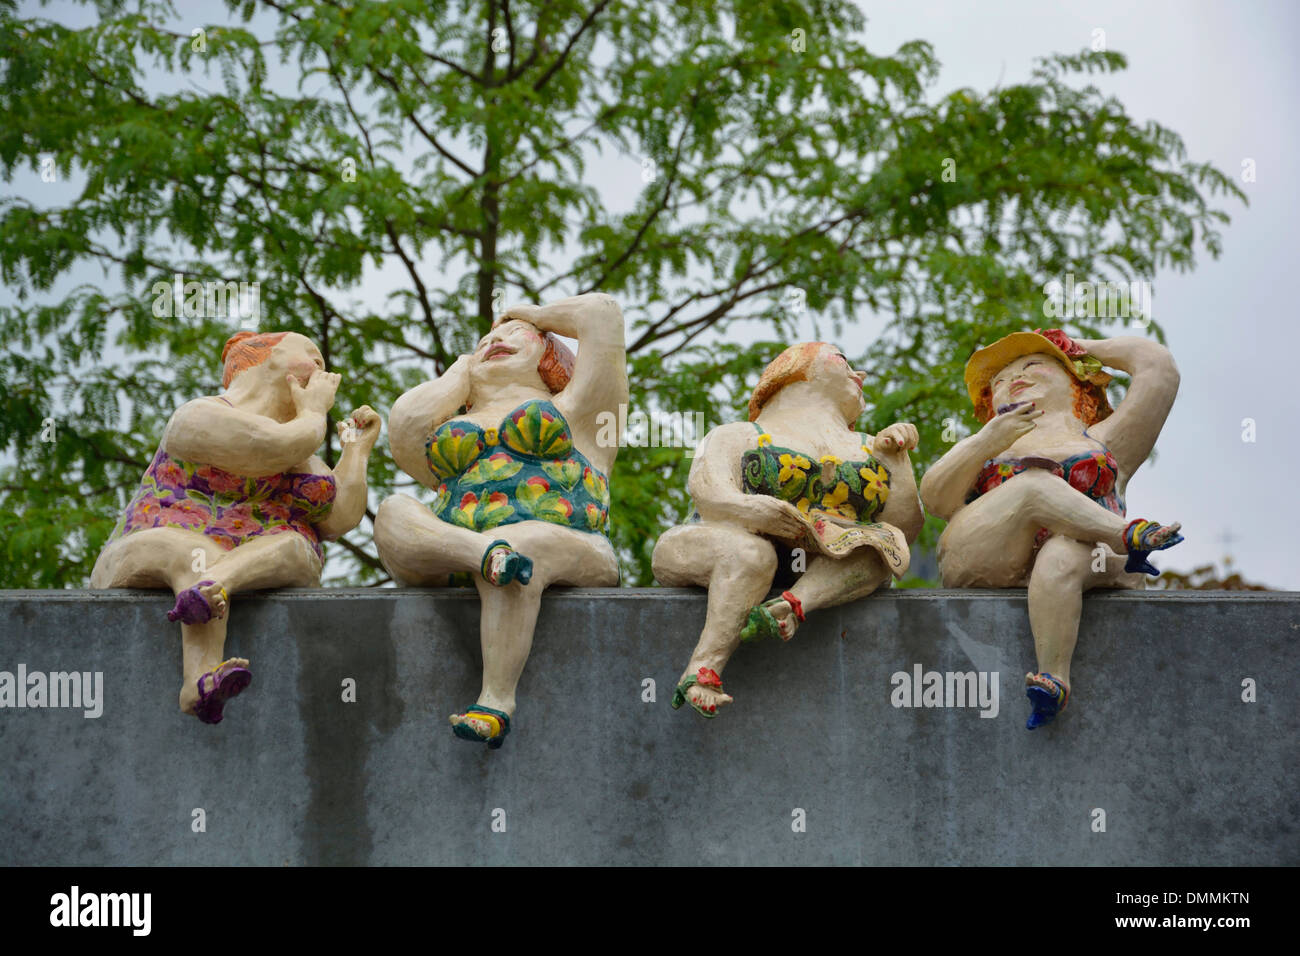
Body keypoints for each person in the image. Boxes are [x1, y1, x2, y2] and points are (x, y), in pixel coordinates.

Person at [377, 293, 626, 749]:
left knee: (522, 540)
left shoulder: (581, 412)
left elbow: (602, 315)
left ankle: (495, 701)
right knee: (395, 511)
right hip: (459, 553)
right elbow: (406, 427)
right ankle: (487, 554)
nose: (496, 339)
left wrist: (528, 314)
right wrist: (460, 373)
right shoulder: (452, 423)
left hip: (567, 545)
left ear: (549, 354)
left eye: (515, 336)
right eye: (488, 339)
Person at [91, 330, 381, 724]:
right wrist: (314, 413)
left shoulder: (305, 455)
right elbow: (269, 449)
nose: (321, 369)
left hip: (243, 562)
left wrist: (356, 451)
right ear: (265, 358)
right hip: (152, 542)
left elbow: (336, 519)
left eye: (322, 363)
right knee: (195, 553)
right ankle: (200, 672)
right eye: (311, 356)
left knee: (299, 548)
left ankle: (212, 590)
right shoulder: (201, 415)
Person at [919, 329, 1182, 729]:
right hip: (984, 557)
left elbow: (1157, 368)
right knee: (1033, 487)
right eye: (1000, 380)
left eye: (1033, 365)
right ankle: (1127, 534)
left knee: (1060, 556)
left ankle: (1052, 679)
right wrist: (984, 443)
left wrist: (1080, 349)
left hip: (1086, 558)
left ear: (1074, 380)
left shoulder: (1102, 440)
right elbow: (936, 499)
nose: (1013, 379)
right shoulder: (988, 445)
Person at [652, 342, 923, 718]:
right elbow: (708, 492)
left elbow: (903, 532)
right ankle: (702, 669)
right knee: (750, 554)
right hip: (717, 547)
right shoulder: (737, 434)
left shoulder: (870, 447)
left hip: (825, 568)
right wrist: (753, 510)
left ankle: (790, 607)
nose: (859, 376)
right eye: (844, 361)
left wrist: (897, 462)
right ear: (795, 369)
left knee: (878, 546)